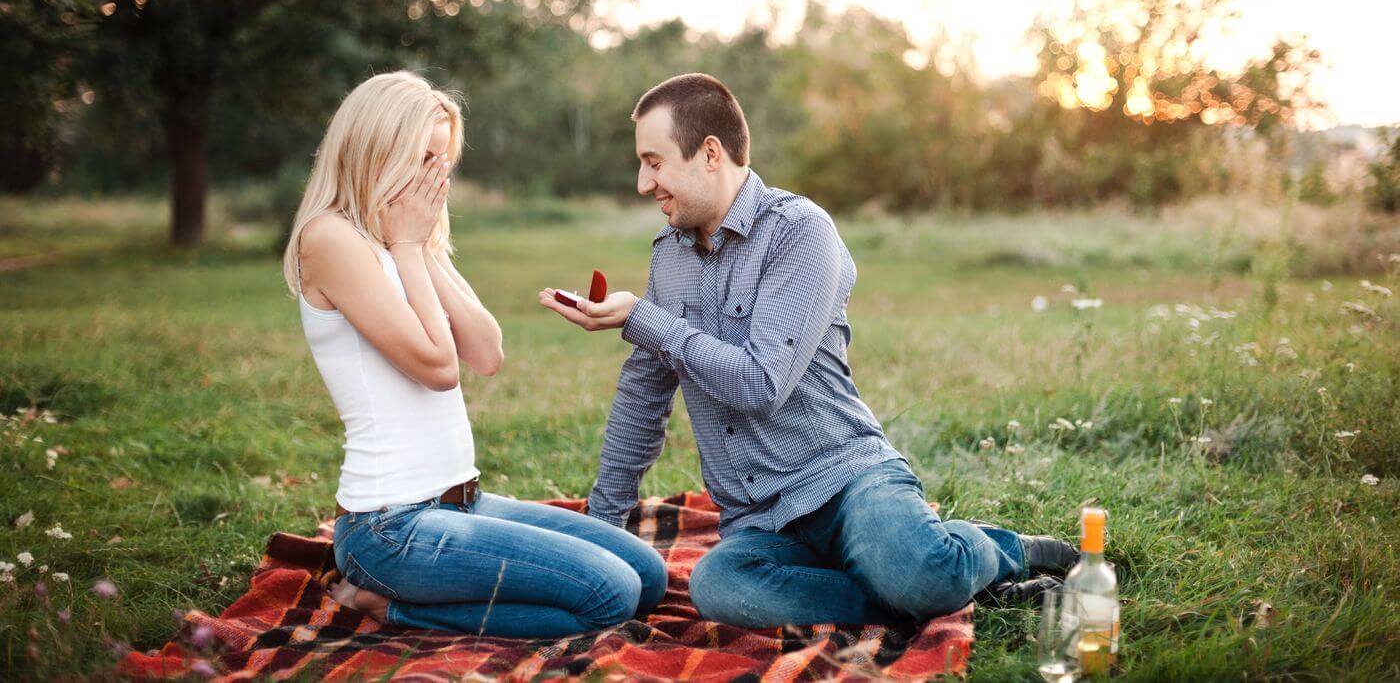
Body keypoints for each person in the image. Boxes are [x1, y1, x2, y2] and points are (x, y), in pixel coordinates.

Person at [539, 73, 1074, 628]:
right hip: (758, 522)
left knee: (919, 574)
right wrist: (604, 526)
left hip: (846, 481)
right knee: (718, 588)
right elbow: (642, 396)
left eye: (654, 162)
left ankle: (1001, 552)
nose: (642, 183)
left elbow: (761, 384)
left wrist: (645, 319)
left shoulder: (799, 231)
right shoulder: (669, 255)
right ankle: (911, 586)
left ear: (710, 154)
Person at [285, 71, 666, 638]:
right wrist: (407, 244)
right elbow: (440, 368)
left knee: (648, 576)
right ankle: (386, 606)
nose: (436, 178)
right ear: (377, 148)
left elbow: (486, 353)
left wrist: (419, 245)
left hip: (463, 501)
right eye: (424, 158)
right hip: (389, 528)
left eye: (444, 162)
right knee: (611, 595)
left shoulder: (405, 239)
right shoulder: (330, 239)